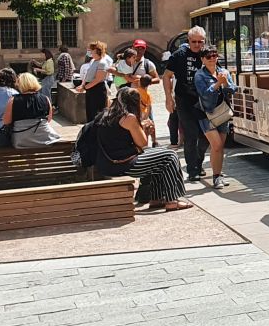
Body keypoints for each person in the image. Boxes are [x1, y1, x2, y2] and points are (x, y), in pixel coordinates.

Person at [95, 86, 190, 211]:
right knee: (170, 156)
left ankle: (156, 198)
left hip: (108, 162)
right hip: (123, 164)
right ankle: (172, 200)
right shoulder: (128, 118)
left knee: (158, 154)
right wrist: (145, 129)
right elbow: (142, 143)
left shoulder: (106, 115)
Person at [165, 27, 207, 182]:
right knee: (191, 135)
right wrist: (169, 98)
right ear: (188, 41)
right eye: (193, 41)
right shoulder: (179, 55)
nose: (197, 45)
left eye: (200, 42)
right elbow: (167, 76)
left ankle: (198, 162)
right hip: (185, 100)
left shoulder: (208, 54)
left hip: (204, 101)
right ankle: (192, 169)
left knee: (205, 136)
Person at [194, 45, 236, 190]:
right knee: (216, 145)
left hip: (222, 113)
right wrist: (218, 83)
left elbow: (233, 90)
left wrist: (226, 83)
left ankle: (218, 175)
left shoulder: (223, 72)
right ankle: (216, 177)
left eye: (214, 55)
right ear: (202, 59)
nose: (212, 58)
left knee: (219, 147)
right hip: (206, 114)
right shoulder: (200, 75)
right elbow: (204, 94)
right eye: (208, 56)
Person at [2, 72, 61, 148]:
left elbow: (6, 121)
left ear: (20, 84)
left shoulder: (13, 100)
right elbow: (49, 120)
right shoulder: (45, 99)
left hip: (21, 140)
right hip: (44, 139)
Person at [78, 41, 113, 121]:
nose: (90, 52)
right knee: (90, 113)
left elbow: (98, 79)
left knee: (96, 113)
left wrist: (84, 87)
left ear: (97, 51)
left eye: (91, 50)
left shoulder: (102, 63)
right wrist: (83, 85)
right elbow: (88, 75)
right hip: (91, 89)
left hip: (97, 90)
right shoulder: (94, 61)